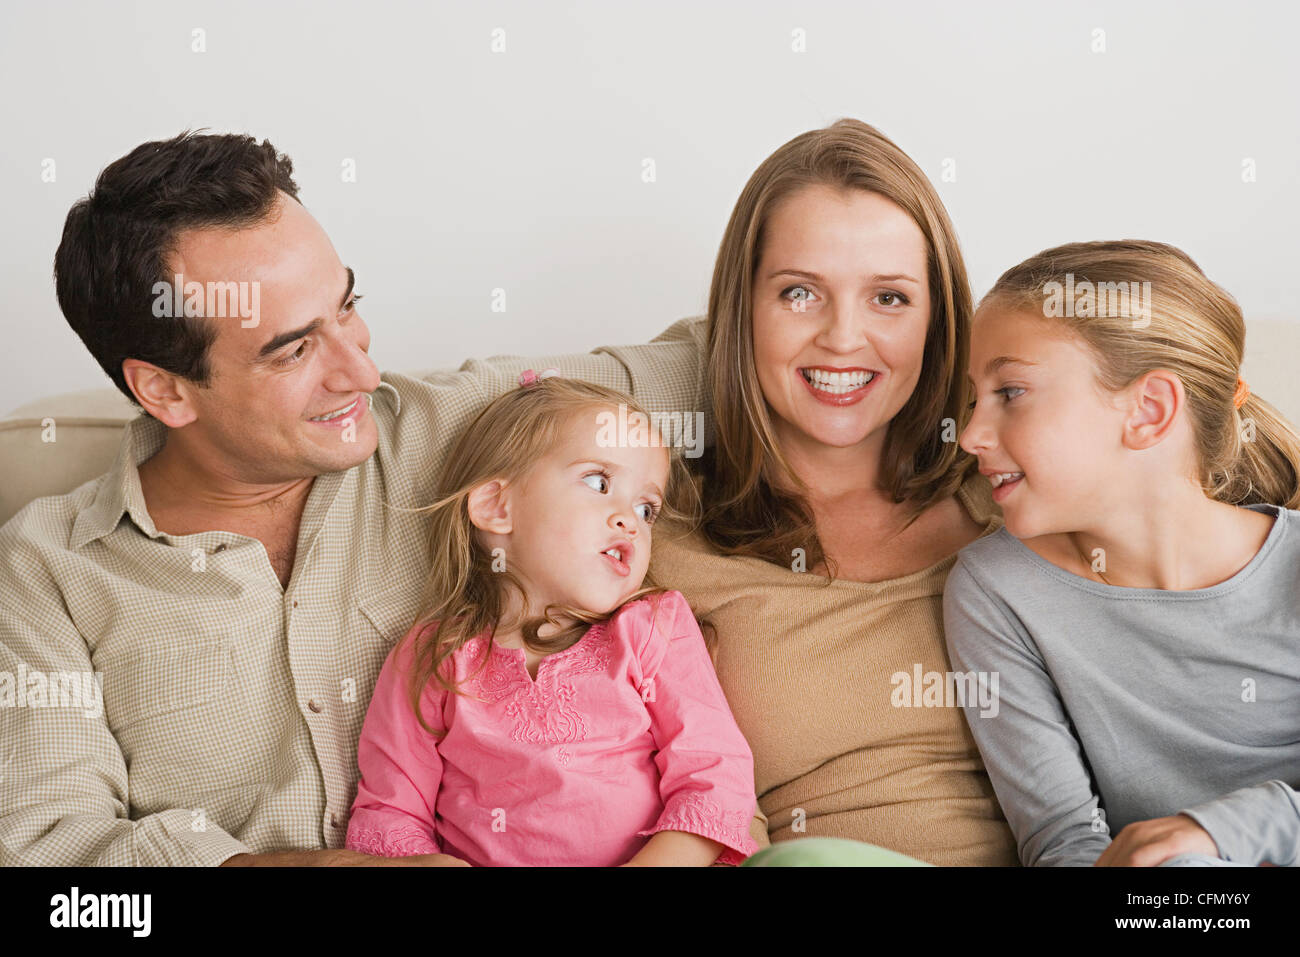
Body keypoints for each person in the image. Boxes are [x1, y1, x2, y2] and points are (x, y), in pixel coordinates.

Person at [0, 131, 753, 866]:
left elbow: (733, 367)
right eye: (295, 348)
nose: (360, 371)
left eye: (348, 305)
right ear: (162, 388)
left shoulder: (475, 432)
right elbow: (55, 857)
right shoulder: (48, 572)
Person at [647, 119, 1020, 865]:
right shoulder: (654, 537)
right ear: (741, 310)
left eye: (888, 298)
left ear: (938, 318)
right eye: (800, 293)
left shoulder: (1018, 498)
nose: (844, 338)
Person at [944, 239, 1300, 867]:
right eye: (976, 397)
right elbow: (1062, 841)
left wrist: (1222, 832)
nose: (971, 434)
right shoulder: (996, 590)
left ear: (1148, 410)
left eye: (1012, 391)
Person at [344, 376, 759, 866]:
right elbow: (391, 812)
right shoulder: (431, 657)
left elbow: (716, 777)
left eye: (648, 509)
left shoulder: (651, 629)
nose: (630, 518)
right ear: (497, 506)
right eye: (599, 482)